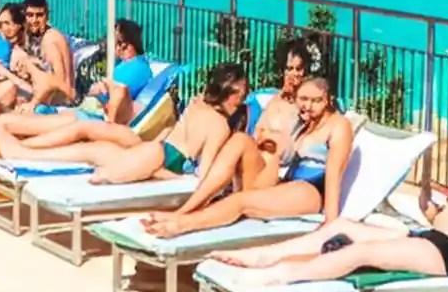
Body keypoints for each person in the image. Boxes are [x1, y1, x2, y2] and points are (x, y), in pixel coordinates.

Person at [203, 101, 448, 286]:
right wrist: (435, 209)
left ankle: (279, 276)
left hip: (445, 253)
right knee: (340, 226)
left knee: (360, 253)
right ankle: (264, 255)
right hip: (427, 235)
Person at [142, 76, 355, 238]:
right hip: (285, 183)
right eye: (303, 100)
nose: (307, 106)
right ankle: (186, 208)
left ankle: (182, 224)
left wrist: (330, 223)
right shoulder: (304, 124)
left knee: (240, 201)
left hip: (309, 191)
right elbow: (280, 154)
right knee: (240, 140)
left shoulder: (339, 126)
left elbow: (335, 174)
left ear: (327, 100)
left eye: (315, 101)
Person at [0, 62, 248, 185]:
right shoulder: (220, 125)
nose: (242, 98)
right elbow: (204, 175)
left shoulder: (195, 103)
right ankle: (22, 149)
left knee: (92, 147)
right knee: (91, 145)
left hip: (153, 150)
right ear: (231, 94)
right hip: (160, 158)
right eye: (241, 94)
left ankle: (23, 150)